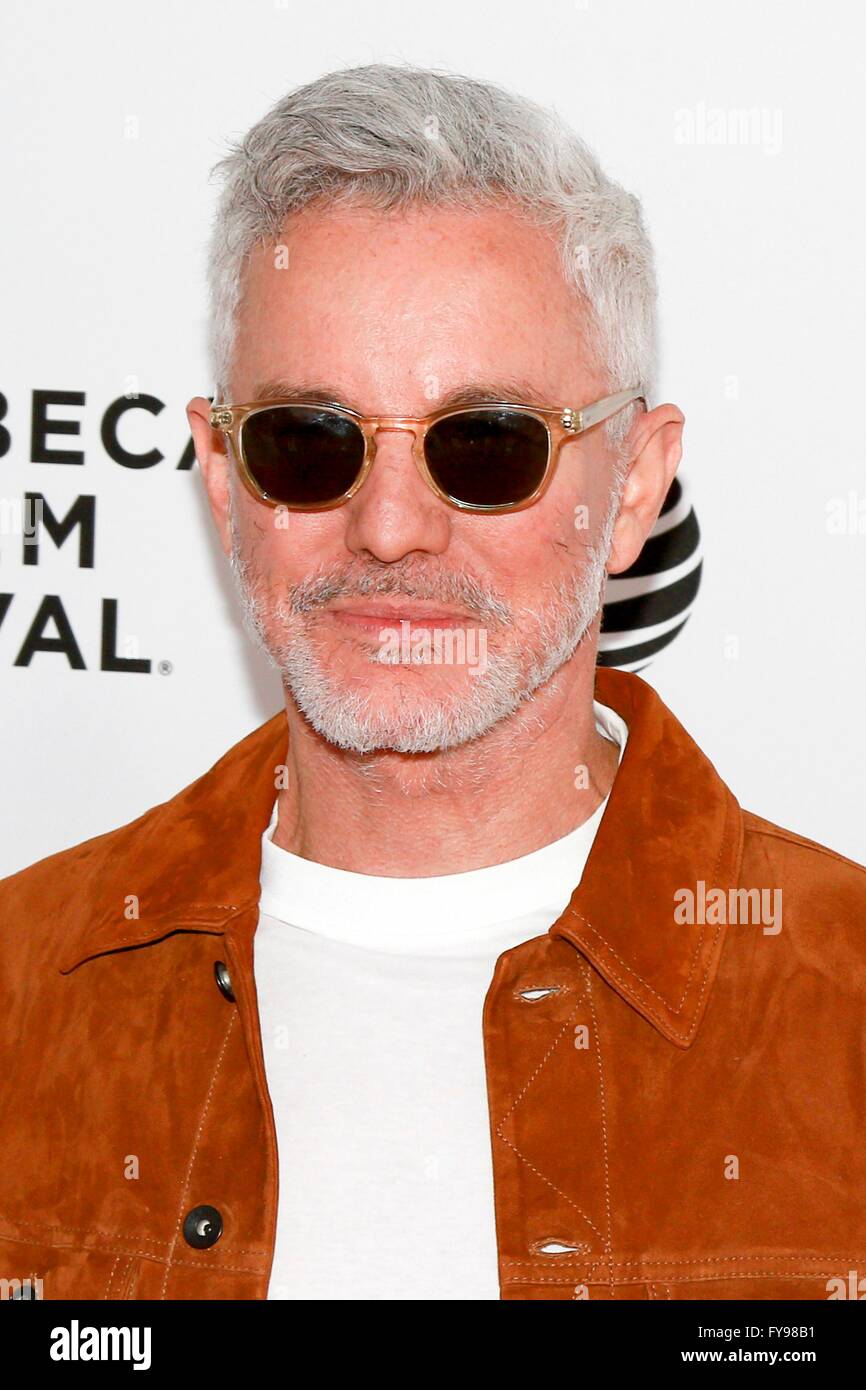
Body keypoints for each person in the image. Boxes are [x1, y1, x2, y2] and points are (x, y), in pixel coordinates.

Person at [1, 62, 864, 1303]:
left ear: (631, 485)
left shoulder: (837, 1003)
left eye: (485, 444)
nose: (389, 527)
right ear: (221, 478)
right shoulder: (25, 985)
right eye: (309, 442)